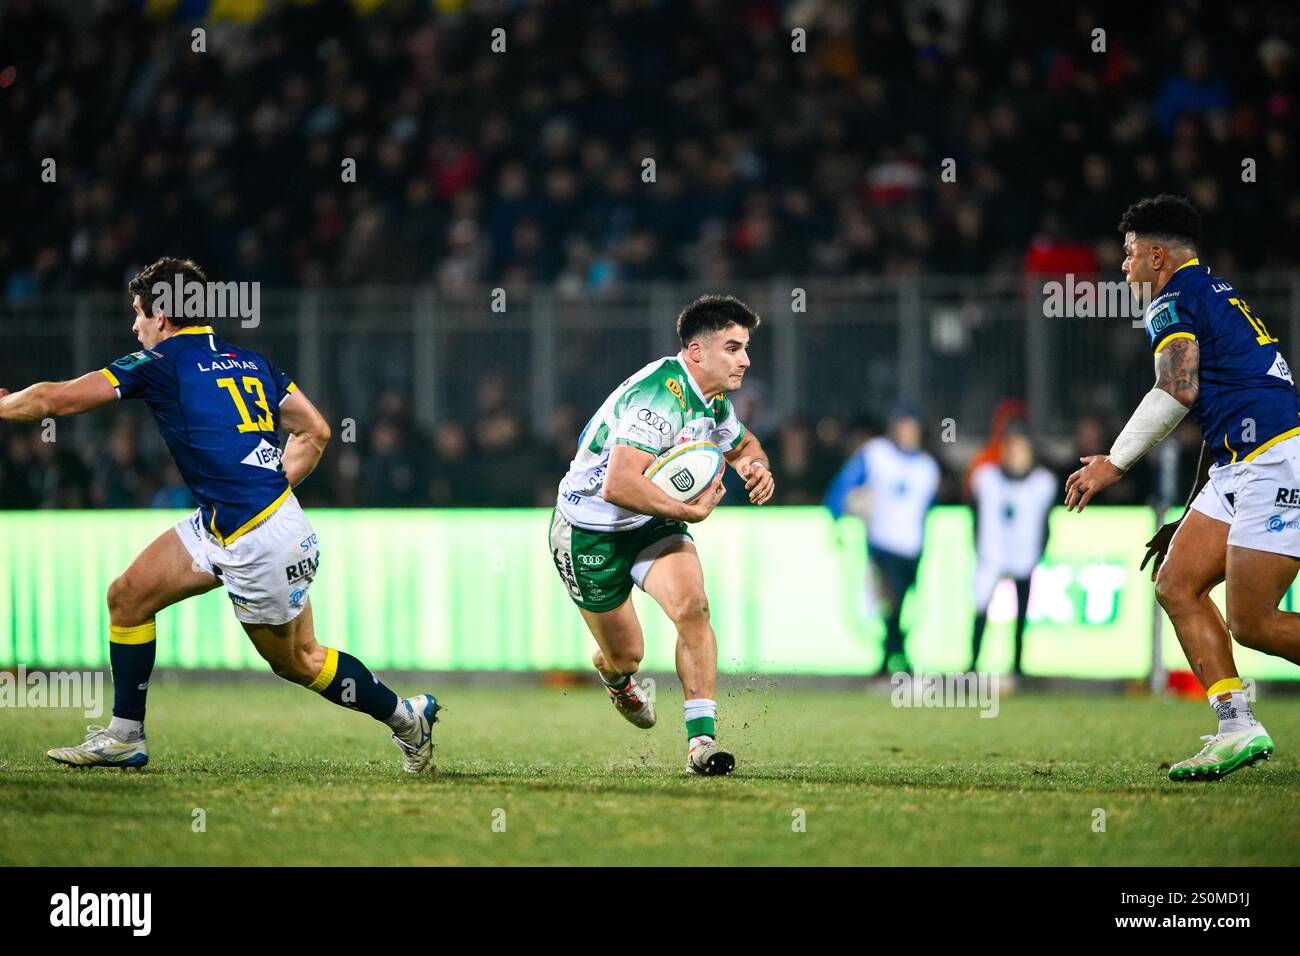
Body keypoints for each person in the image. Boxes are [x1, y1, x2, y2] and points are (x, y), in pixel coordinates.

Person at [0, 258, 440, 772]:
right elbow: (316, 431)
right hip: (235, 522)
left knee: (300, 661)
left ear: (162, 315)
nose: (135, 326)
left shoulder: (160, 363)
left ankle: (406, 717)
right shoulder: (251, 362)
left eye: (138, 313)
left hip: (258, 540)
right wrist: (263, 485)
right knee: (128, 596)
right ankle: (125, 736)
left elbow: (54, 400)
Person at [1065, 194, 1294, 780]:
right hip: (1242, 462)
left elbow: (1178, 389)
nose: (1123, 265)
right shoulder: (1214, 292)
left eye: (1129, 253)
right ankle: (1237, 726)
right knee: (1176, 583)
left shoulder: (1172, 300)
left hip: (1274, 460)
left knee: (1253, 621)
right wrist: (1191, 511)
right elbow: (1217, 420)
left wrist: (1114, 463)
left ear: (1156, 256)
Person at [550, 294, 775, 776]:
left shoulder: (712, 401)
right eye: (733, 348)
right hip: (590, 530)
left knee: (694, 608)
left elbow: (743, 446)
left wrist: (755, 467)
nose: (745, 360)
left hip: (651, 521)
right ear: (697, 352)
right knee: (627, 656)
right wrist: (688, 511)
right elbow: (618, 484)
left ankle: (701, 744)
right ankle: (614, 676)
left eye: (745, 348)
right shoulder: (660, 396)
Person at [824, 404, 940, 675]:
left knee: (900, 607)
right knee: (890, 602)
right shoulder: (875, 454)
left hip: (911, 547)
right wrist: (837, 516)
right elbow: (844, 484)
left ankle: (891, 661)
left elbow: (928, 507)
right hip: (881, 544)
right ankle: (897, 663)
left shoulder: (927, 467)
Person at [968, 420, 1056, 677]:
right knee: (981, 607)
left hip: (1024, 556)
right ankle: (973, 665)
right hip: (992, 553)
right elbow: (975, 516)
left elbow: (1045, 523)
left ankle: (1017, 667)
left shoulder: (1042, 483)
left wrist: (1039, 553)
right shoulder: (986, 479)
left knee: (1022, 612)